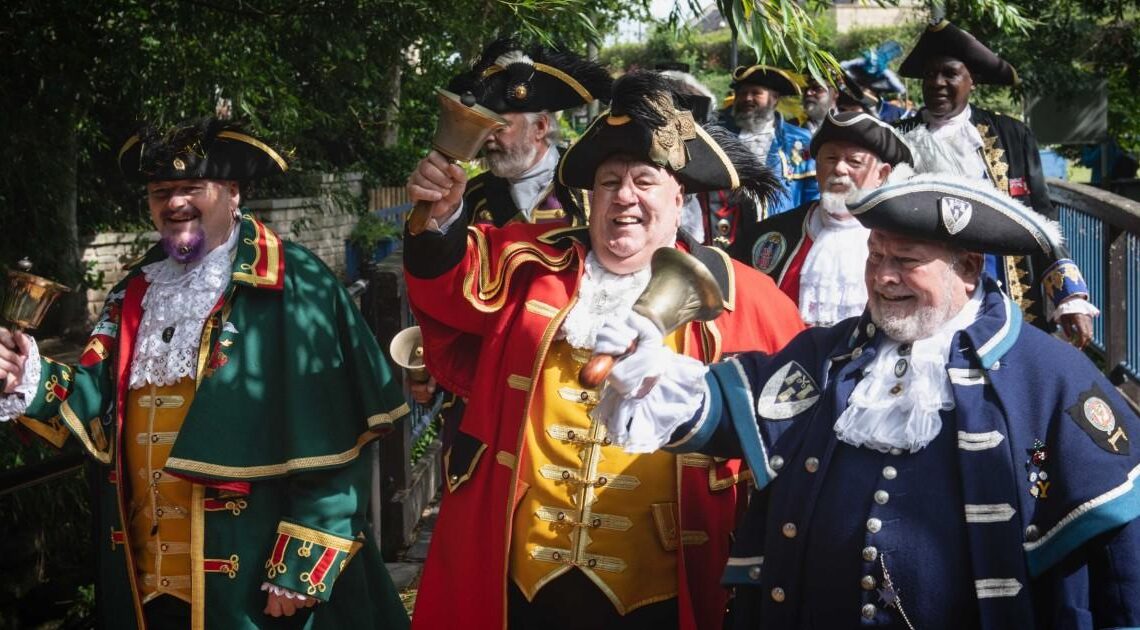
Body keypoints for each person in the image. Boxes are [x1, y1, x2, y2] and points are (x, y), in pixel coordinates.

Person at [594, 177, 1140, 628]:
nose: (882, 277)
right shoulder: (830, 353)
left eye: (905, 260)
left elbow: (1118, 547)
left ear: (969, 269)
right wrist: (652, 373)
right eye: (874, 255)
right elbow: (728, 407)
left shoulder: (1051, 377)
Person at [402, 71, 805, 630]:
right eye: (610, 181)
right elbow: (449, 282)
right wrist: (440, 213)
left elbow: (794, 426)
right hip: (521, 575)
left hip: (666, 584)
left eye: (644, 180)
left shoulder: (747, 298)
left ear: (679, 196)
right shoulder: (529, 266)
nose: (625, 198)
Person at [0, 119, 411, 629]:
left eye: (191, 188)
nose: (175, 204)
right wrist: (25, 377)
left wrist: (303, 565)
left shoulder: (294, 284)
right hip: (144, 580)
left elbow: (335, 435)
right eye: (160, 192)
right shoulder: (135, 292)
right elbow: (97, 401)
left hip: (256, 572)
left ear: (233, 192)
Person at [895, 20, 1098, 348]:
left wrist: (1068, 296)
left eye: (949, 73)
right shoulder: (897, 137)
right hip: (923, 282)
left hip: (1001, 280)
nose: (937, 83)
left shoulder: (1010, 135)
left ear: (971, 79)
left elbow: (1040, 216)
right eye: (930, 74)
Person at [730, 111, 913, 326]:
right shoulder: (770, 234)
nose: (839, 168)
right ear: (816, 168)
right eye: (831, 158)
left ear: (881, 175)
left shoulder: (902, 242)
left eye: (854, 162)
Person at [430, 38, 612, 228]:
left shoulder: (589, 187)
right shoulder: (472, 196)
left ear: (540, 128)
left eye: (499, 127)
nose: (488, 137)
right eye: (484, 128)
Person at [714, 65, 818, 224]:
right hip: (727, 228)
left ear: (775, 98)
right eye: (742, 93)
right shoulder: (721, 136)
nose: (747, 98)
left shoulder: (798, 139)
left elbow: (812, 194)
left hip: (781, 232)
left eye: (756, 93)